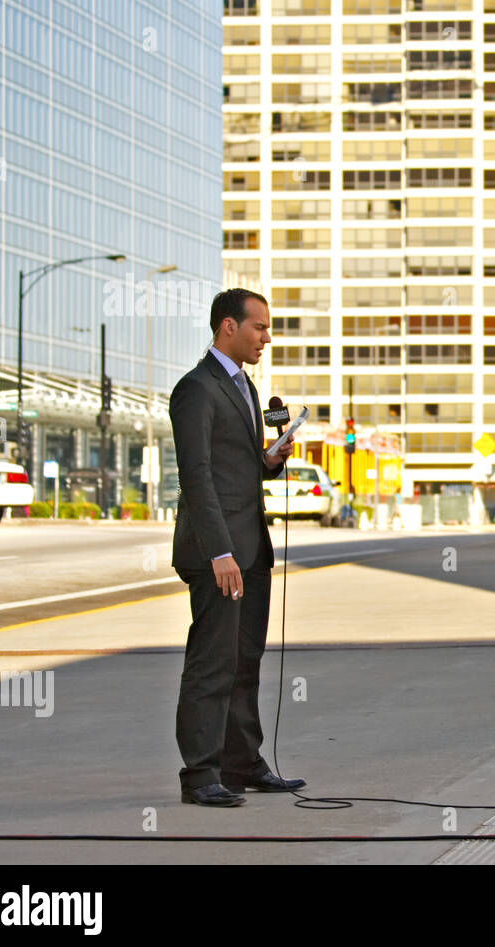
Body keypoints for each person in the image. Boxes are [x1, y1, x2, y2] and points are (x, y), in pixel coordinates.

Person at [170, 288, 303, 808]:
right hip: (218, 553)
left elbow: (233, 466)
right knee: (212, 662)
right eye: (260, 327)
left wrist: (268, 459)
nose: (267, 337)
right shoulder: (196, 390)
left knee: (246, 659)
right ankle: (199, 774)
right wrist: (219, 553)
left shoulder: (244, 387)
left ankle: (242, 764)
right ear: (229, 326)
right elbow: (197, 476)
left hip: (253, 547)